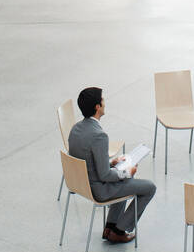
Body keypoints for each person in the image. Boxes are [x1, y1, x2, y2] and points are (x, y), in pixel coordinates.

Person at [67, 87, 156, 243]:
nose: (104, 102)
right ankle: (119, 230)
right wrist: (128, 172)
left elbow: (88, 161)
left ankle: (110, 227)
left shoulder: (75, 129)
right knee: (149, 187)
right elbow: (105, 175)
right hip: (99, 189)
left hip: (83, 184)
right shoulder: (99, 135)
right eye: (102, 100)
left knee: (121, 177)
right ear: (97, 107)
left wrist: (112, 162)